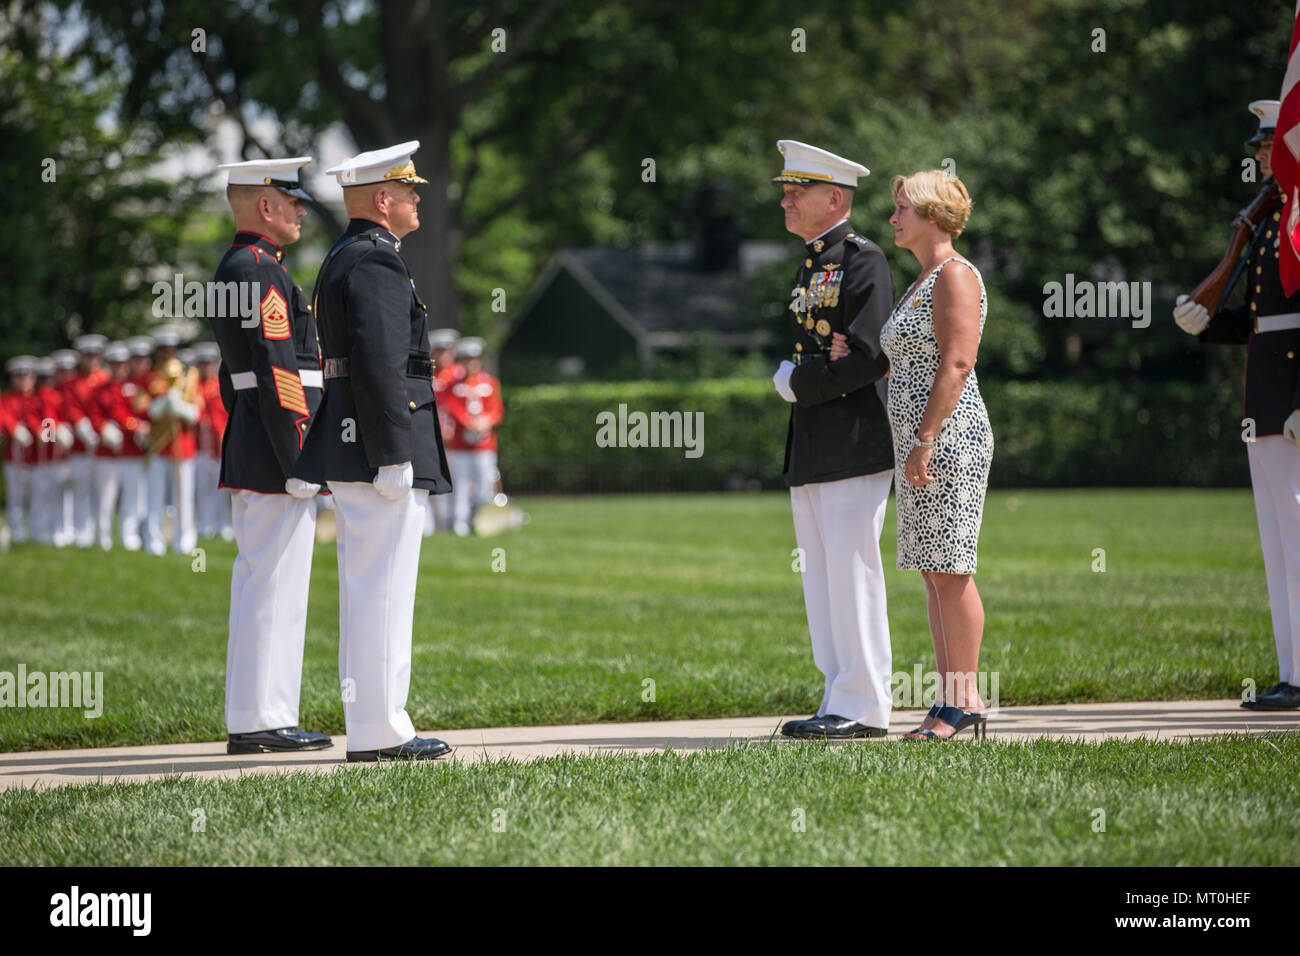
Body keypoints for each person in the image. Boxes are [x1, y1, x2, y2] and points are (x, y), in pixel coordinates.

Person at [294, 141, 454, 761]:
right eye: (408, 190)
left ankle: (375, 724)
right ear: (382, 200)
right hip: (378, 446)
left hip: (355, 442)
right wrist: (393, 453)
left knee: (370, 588)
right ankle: (382, 730)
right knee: (384, 589)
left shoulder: (348, 254)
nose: (417, 200)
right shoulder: (376, 262)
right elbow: (382, 365)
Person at [838, 169, 993, 741]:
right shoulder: (922, 279)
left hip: (949, 439)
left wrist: (926, 439)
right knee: (934, 574)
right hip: (922, 443)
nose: (893, 217)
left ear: (931, 214)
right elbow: (898, 354)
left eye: (902, 207)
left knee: (951, 571)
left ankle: (966, 699)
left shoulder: (954, 275)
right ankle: (946, 699)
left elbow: (956, 363)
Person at [1173, 99, 1300, 711]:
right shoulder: (1271, 216)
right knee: (1279, 543)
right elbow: (1259, 319)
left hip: (1294, 398)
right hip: (1265, 397)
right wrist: (1206, 322)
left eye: (1268, 150)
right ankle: (1291, 672)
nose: (1260, 161)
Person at [768, 140, 896, 740]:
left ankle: (865, 705)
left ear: (835, 198)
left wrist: (801, 379)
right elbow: (832, 350)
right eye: (786, 190)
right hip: (818, 438)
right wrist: (816, 371)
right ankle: (837, 695)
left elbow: (868, 356)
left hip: (851, 438)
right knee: (822, 578)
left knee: (851, 573)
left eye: (799, 192)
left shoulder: (862, 260)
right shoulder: (814, 261)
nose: (787, 200)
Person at [211, 156, 332, 755]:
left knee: (271, 582)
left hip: (259, 444)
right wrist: (298, 457)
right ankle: (261, 719)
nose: (302, 210)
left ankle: (266, 713)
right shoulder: (258, 272)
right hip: (275, 452)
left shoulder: (245, 267)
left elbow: (231, 374)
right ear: (266, 205)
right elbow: (277, 368)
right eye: (292, 199)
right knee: (274, 583)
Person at [142, 327, 201, 556]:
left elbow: (198, 412)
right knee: (154, 497)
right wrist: (164, 404)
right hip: (159, 446)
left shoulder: (189, 378)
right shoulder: (151, 377)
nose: (167, 353)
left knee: (183, 499)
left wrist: (182, 409)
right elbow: (144, 407)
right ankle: (154, 542)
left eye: (170, 349)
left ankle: (184, 541)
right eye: (163, 350)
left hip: (183, 446)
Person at [444, 336, 503, 536]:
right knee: (459, 485)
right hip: (460, 445)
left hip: (484, 445)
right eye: (466, 359)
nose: (471, 363)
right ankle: (459, 523)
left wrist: (486, 422)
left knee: (484, 484)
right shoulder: (453, 385)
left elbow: (497, 410)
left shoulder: (490, 382)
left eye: (474, 359)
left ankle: (482, 521)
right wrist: (469, 422)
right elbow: (452, 408)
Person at [66, 335, 109, 548]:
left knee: (103, 494)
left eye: (94, 355)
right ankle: (82, 532)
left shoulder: (106, 380)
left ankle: (103, 534)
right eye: (87, 355)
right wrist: (85, 430)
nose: (91, 360)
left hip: (105, 448)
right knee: (81, 491)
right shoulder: (74, 383)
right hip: (81, 447)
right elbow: (72, 410)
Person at [192, 341, 232, 540]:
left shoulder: (220, 385)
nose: (205, 367)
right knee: (203, 489)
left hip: (220, 443)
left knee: (223, 491)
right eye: (202, 363)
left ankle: (224, 525)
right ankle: (205, 524)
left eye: (209, 363)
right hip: (200, 445)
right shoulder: (193, 386)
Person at [425, 327, 462, 535]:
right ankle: (435, 525)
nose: (443, 355)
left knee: (458, 483)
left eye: (447, 350)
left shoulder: (459, 375)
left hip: (456, 439)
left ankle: (455, 524)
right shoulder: (428, 374)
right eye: (439, 350)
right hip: (432, 437)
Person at [2, 355, 38, 543]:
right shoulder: (7, 399)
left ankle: (35, 532)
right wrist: (14, 429)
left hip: (38, 459)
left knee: (36, 497)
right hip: (14, 458)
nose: (23, 380)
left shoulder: (40, 398)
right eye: (19, 376)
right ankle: (17, 533)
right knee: (15, 497)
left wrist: (46, 435)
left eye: (27, 376)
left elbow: (48, 421)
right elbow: (3, 416)